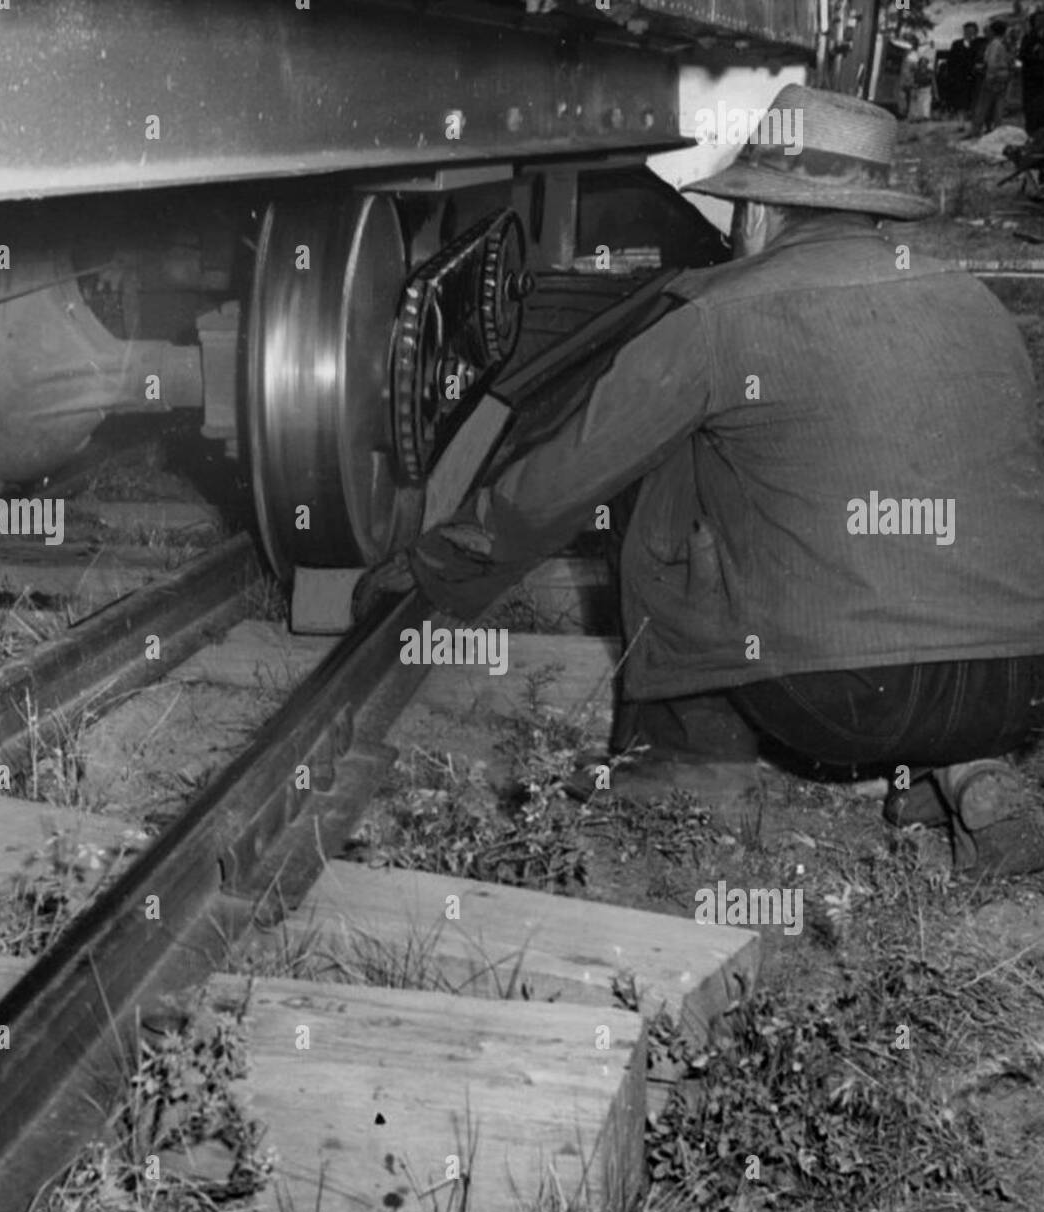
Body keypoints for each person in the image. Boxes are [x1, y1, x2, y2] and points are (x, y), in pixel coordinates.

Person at [355, 86, 1044, 875]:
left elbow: (556, 485)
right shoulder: (973, 300)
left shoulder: (714, 315)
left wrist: (436, 568)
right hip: (1016, 686)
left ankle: (687, 755)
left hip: (836, 701)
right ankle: (964, 766)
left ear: (754, 215)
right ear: (874, 214)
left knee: (662, 463)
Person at [970, 19, 1013, 136]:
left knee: (984, 103)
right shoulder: (1004, 43)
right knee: (999, 103)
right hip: (1003, 74)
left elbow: (992, 62)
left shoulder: (994, 44)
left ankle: (976, 129)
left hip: (993, 75)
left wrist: (988, 76)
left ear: (993, 31)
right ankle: (997, 128)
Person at [947, 22, 985, 117]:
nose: (968, 34)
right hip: (960, 77)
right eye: (966, 31)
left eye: (971, 31)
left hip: (975, 77)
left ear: (976, 33)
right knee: (961, 102)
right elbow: (951, 61)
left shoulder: (979, 45)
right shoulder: (957, 44)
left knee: (974, 100)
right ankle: (961, 123)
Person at [1020, 10, 1044, 137]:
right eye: (1039, 20)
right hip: (1032, 81)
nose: (1041, 23)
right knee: (1032, 110)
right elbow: (1022, 56)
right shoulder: (1028, 38)